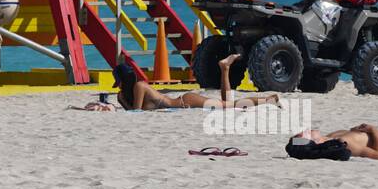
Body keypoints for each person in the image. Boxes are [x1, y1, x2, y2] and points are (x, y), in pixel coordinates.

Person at [107, 53, 281, 111]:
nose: (119, 86)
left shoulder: (139, 86)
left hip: (185, 101)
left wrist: (122, 102)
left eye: (119, 82)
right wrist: (122, 100)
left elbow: (137, 112)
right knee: (228, 105)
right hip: (181, 104)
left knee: (228, 105)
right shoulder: (129, 92)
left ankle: (225, 68)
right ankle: (268, 100)